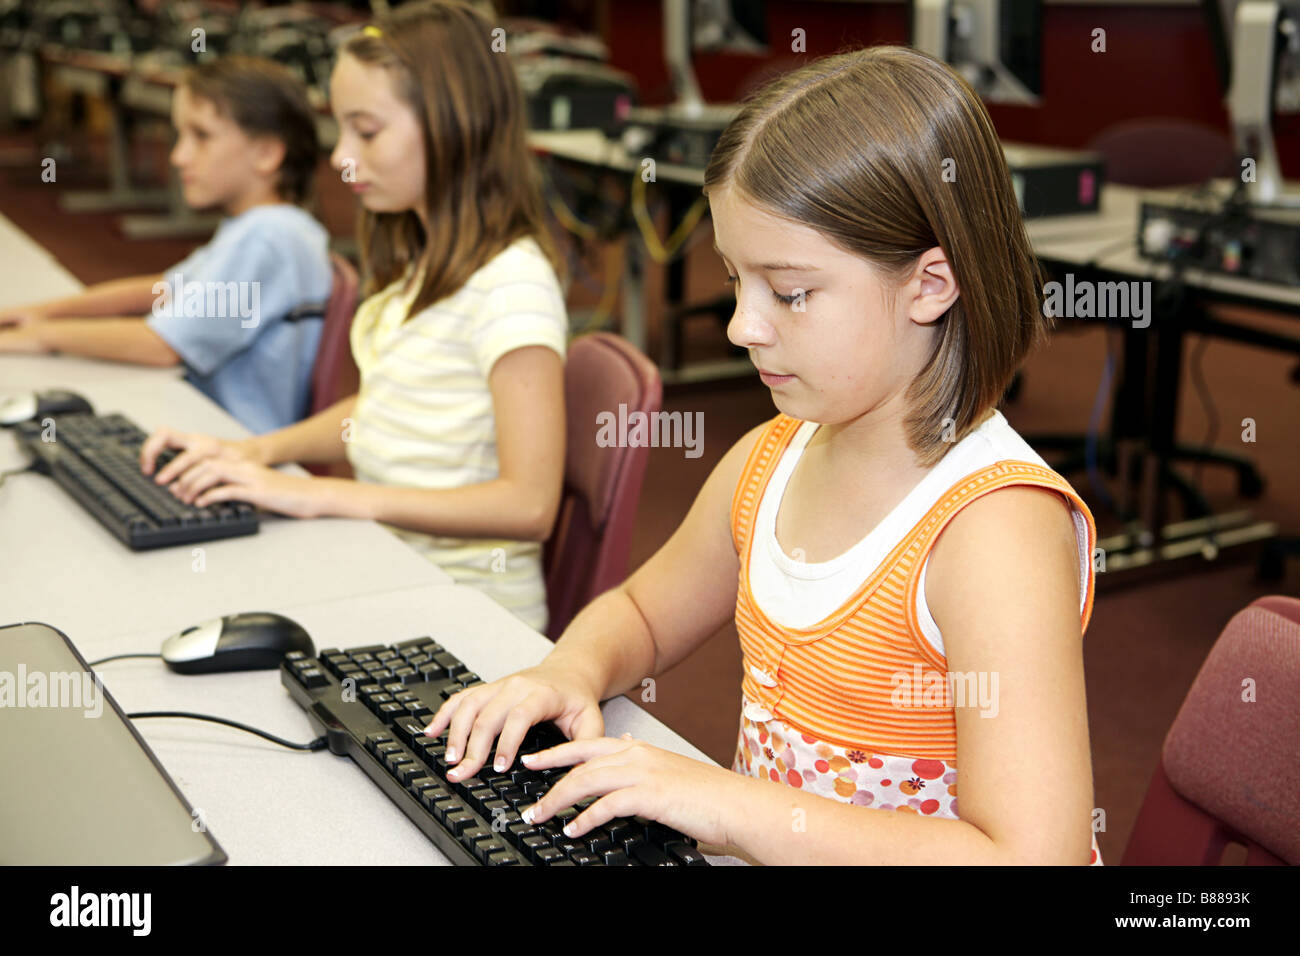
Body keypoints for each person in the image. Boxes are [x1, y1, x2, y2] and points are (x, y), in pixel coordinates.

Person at [424, 46, 1104, 865]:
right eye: (735, 280)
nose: (743, 326)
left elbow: (1035, 856)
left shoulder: (992, 530)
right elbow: (641, 614)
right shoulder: (770, 457)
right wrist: (567, 671)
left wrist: (727, 804)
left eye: (789, 292)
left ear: (931, 284)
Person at [139, 1, 567, 633]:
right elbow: (383, 407)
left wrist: (319, 495)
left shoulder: (511, 285)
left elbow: (529, 506)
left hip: (467, 619)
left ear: (457, 127)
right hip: (389, 565)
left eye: (365, 132)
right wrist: (253, 452)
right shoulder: (418, 260)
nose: (342, 157)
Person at [0, 56, 332, 434]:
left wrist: (40, 336)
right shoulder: (265, 228)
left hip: (226, 435)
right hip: (202, 421)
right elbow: (161, 289)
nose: (178, 156)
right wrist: (38, 312)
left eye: (201, 136)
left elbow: (160, 346)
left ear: (267, 153)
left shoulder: (270, 239)